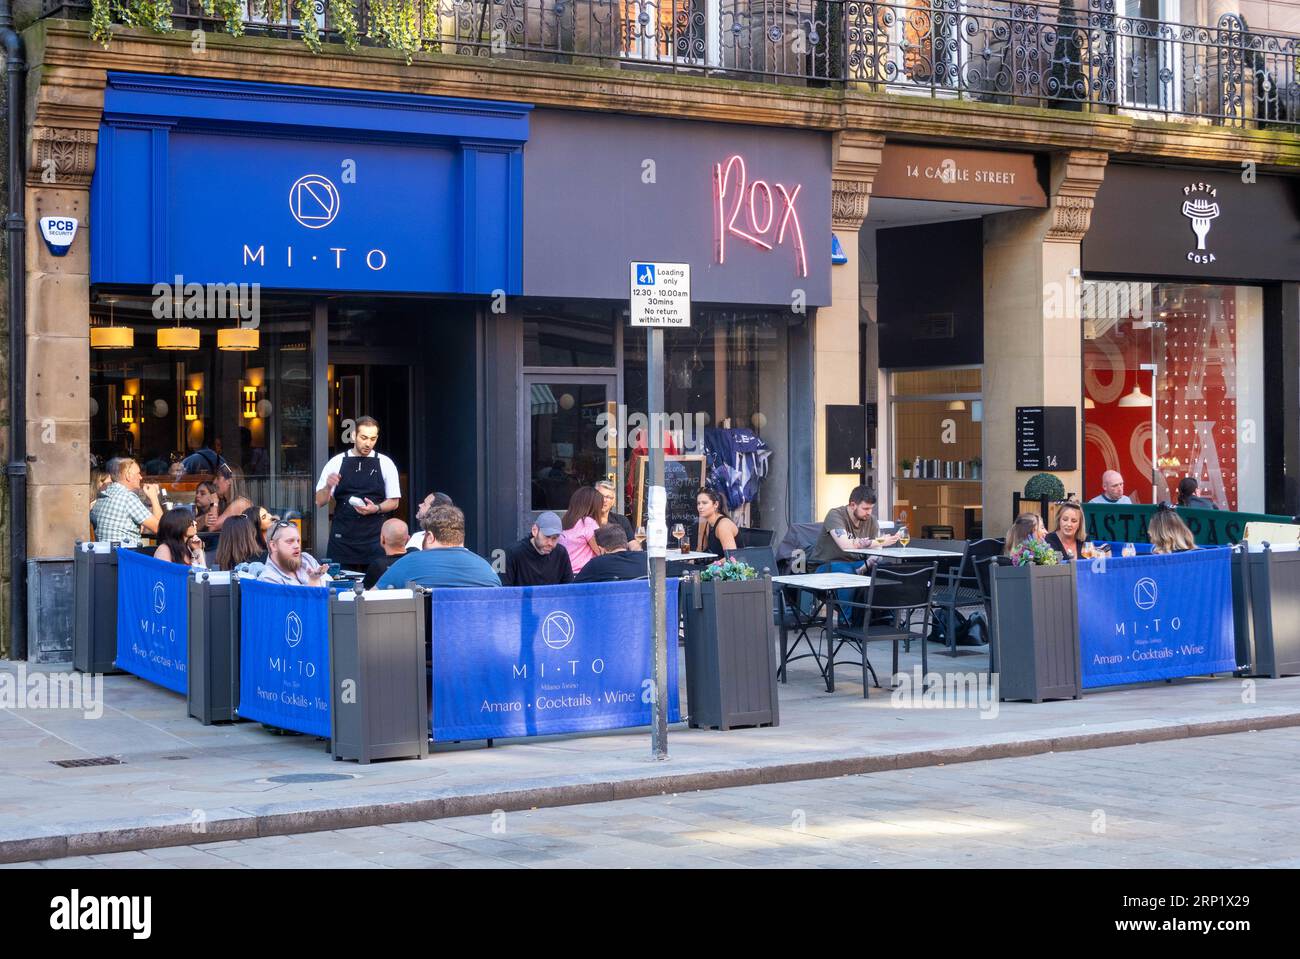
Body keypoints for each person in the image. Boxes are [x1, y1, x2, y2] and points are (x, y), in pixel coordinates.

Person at [314, 415, 402, 571]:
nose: (368, 443)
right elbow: (319, 502)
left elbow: (394, 501)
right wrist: (328, 486)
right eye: (364, 438)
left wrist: (376, 508)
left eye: (373, 439)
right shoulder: (336, 462)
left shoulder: (386, 463)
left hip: (375, 539)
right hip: (342, 539)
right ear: (354, 435)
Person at [375, 505, 500, 589]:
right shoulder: (487, 569)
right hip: (476, 629)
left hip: (426, 629)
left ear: (430, 537)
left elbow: (370, 600)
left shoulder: (408, 562)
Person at [810, 485, 901, 568]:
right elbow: (845, 545)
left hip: (858, 564)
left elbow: (877, 550)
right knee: (845, 570)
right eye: (865, 509)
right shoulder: (835, 515)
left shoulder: (871, 520)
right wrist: (880, 542)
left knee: (887, 570)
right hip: (827, 565)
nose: (869, 512)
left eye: (871, 508)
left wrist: (865, 566)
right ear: (853, 505)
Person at [89, 457, 163, 546]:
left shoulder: (103, 494)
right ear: (128, 476)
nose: (141, 477)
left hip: (106, 554)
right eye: (138, 473)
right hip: (126, 556)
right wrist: (154, 497)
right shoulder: (127, 498)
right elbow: (161, 529)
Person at [502, 512, 573, 587]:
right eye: (547, 536)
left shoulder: (561, 553)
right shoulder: (513, 553)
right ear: (534, 530)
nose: (550, 543)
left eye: (555, 538)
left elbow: (569, 589)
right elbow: (504, 591)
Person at [257, 521, 330, 586]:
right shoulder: (268, 579)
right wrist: (314, 581)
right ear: (273, 546)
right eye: (290, 541)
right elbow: (296, 601)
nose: (297, 546)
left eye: (298, 541)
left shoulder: (306, 559)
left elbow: (331, 585)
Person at [575, 525, 649, 583]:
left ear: (601, 549)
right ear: (626, 544)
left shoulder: (596, 564)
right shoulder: (646, 559)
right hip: (646, 601)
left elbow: (573, 590)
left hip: (613, 602)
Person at [558, 487, 605, 574]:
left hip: (564, 573)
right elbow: (601, 551)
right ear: (594, 506)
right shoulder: (587, 522)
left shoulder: (565, 521)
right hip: (582, 575)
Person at [364, 518, 411, 589]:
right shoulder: (414, 556)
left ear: (382, 539)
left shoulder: (378, 565)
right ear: (408, 539)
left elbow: (365, 593)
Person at [595, 480, 640, 550]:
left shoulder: (621, 520)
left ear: (613, 501)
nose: (604, 500)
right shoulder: (586, 521)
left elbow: (632, 543)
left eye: (608, 497)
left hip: (619, 559)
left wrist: (638, 554)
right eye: (601, 496)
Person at [694, 488, 740, 556]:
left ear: (715, 504)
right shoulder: (706, 523)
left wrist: (710, 566)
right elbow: (702, 551)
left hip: (733, 565)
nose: (700, 507)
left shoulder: (723, 525)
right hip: (715, 564)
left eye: (704, 503)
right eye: (698, 503)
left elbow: (731, 557)